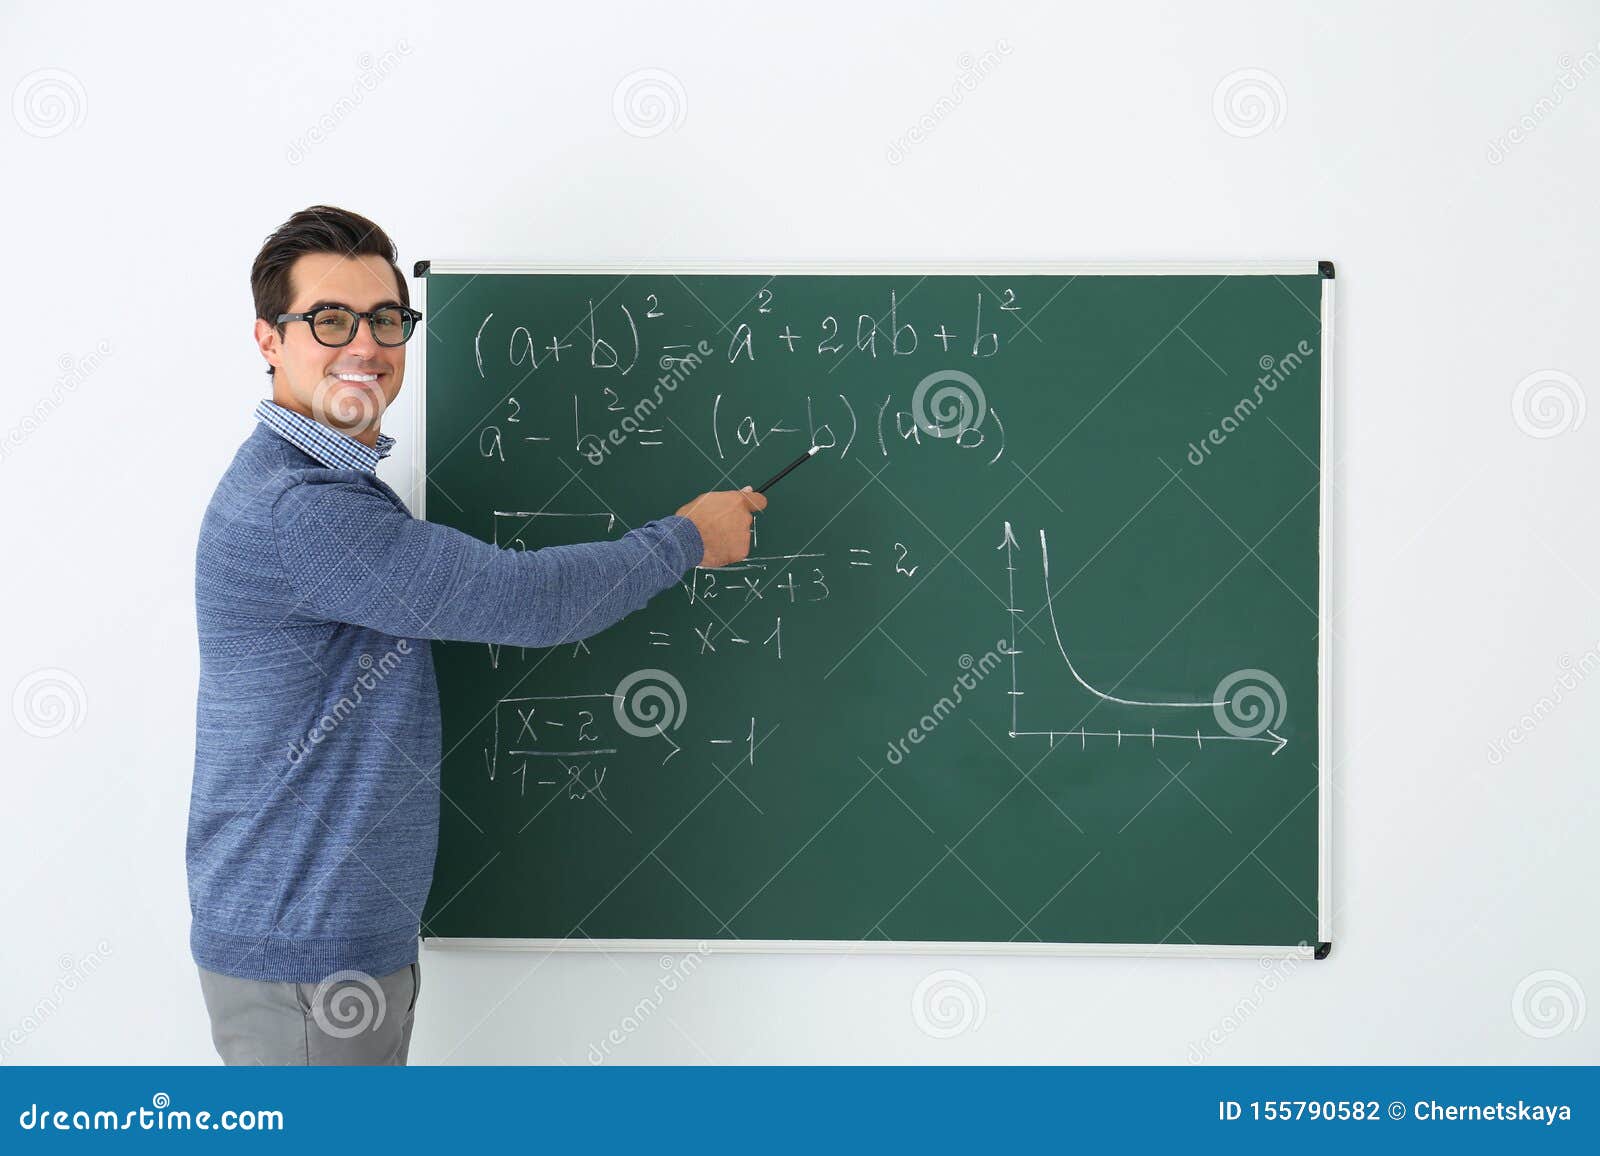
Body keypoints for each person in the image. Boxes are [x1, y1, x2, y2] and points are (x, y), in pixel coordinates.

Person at [188, 205, 765, 1064]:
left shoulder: (311, 486)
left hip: (318, 940)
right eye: (329, 319)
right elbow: (525, 601)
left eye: (386, 318)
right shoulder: (301, 510)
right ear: (270, 339)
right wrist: (686, 538)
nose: (366, 345)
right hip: (308, 955)